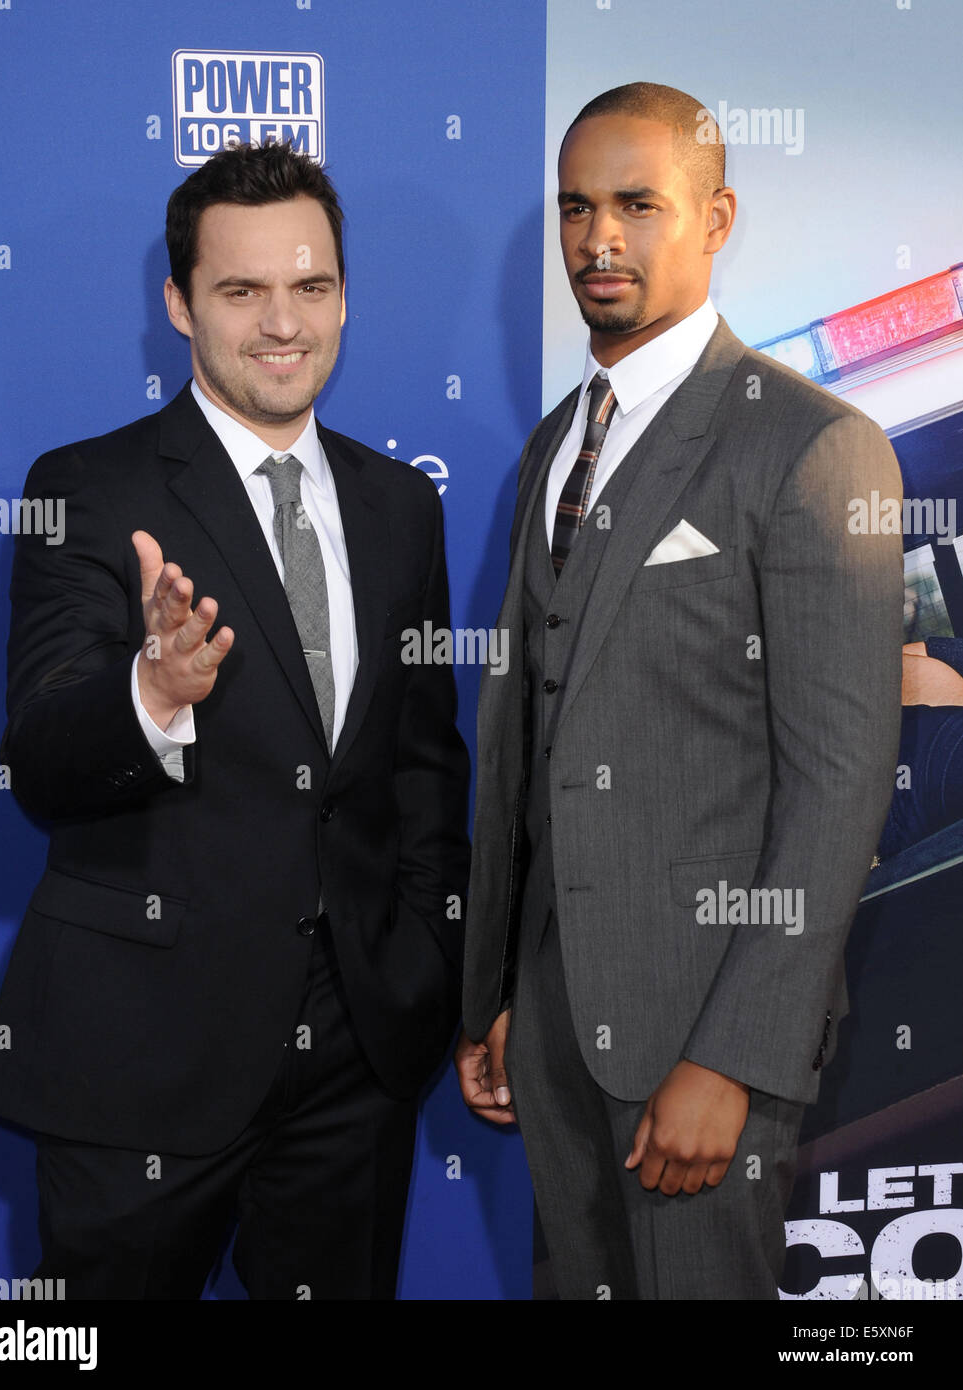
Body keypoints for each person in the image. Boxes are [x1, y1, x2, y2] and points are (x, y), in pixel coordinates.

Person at [0, 140, 470, 1300]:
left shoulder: (403, 506)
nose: (282, 324)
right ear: (180, 305)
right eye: (242, 291)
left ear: (344, 294)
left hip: (356, 1060)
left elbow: (423, 767)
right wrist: (151, 693)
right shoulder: (87, 488)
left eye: (311, 286)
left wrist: (432, 968)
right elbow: (39, 761)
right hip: (141, 1054)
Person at [456, 82, 904, 1299]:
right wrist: (499, 994)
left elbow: (839, 781)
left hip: (704, 1037)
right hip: (549, 1025)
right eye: (576, 208)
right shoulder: (554, 445)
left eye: (639, 205)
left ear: (716, 216)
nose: (600, 240)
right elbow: (519, 748)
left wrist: (735, 1056)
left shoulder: (811, 445)